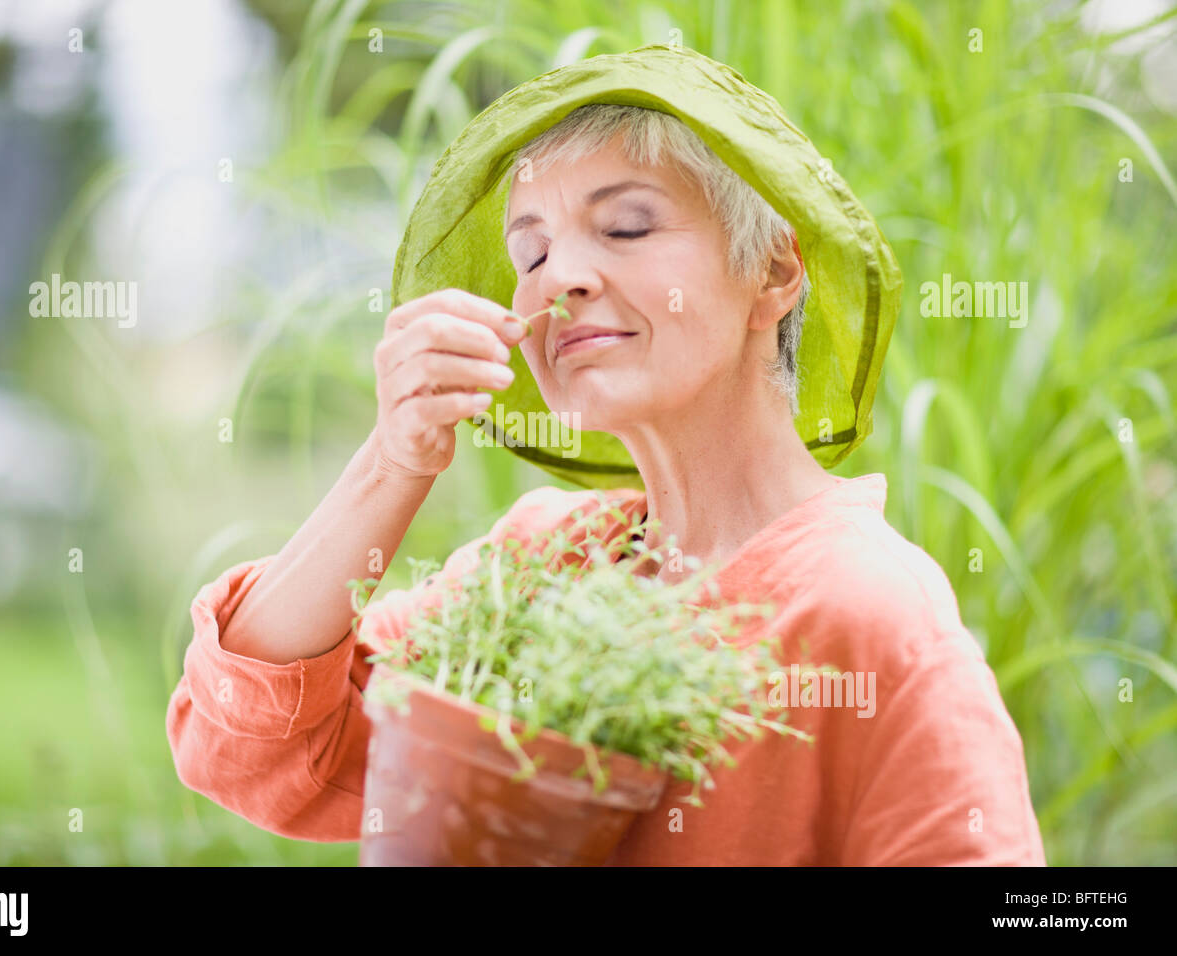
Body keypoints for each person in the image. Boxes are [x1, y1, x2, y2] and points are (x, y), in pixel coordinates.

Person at [166, 44, 1046, 865]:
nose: (560, 277)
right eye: (532, 250)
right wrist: (394, 462)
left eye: (626, 228)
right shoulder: (539, 568)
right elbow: (250, 747)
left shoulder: (869, 614)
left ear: (775, 274)